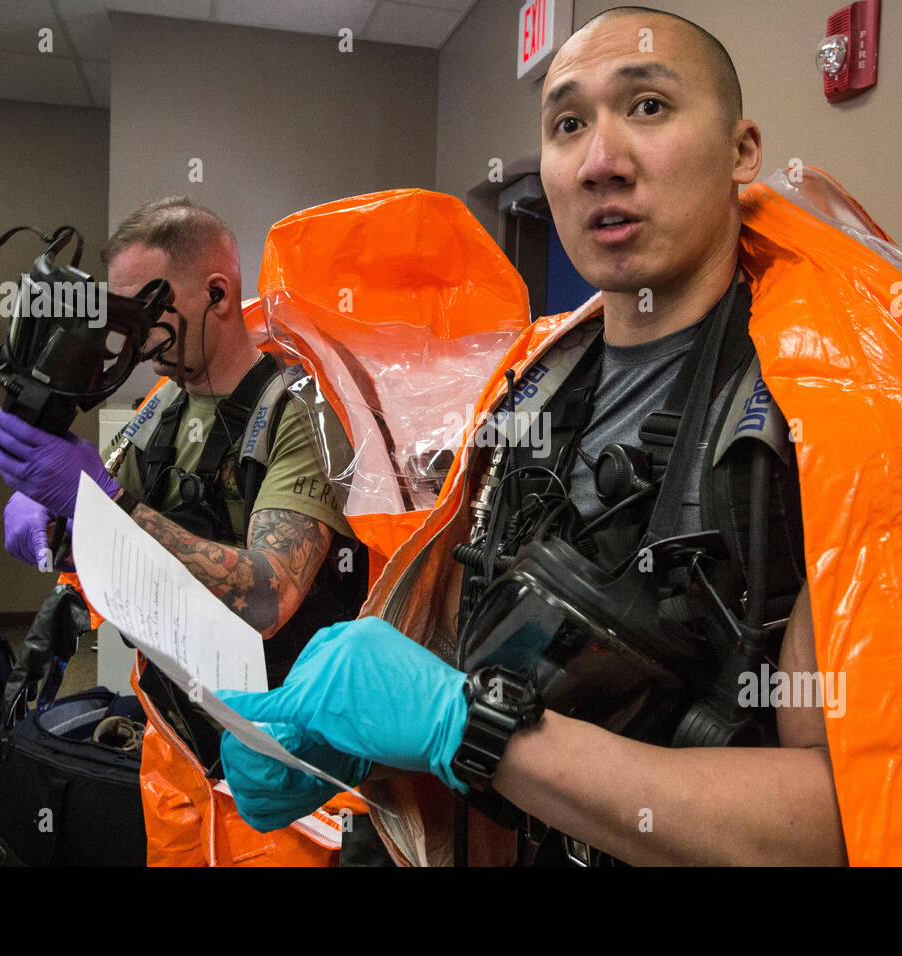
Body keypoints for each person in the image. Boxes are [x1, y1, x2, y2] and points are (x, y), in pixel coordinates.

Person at [215, 7, 847, 866]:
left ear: (742, 149)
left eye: (649, 107)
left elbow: (839, 824)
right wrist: (361, 731)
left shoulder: (819, 419)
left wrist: (467, 729)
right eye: (568, 123)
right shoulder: (537, 381)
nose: (600, 162)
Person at [0, 197, 371, 864]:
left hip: (280, 767)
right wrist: (53, 521)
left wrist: (105, 501)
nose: (131, 339)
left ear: (217, 294)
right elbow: (106, 535)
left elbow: (266, 597)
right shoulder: (161, 406)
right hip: (174, 739)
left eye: (146, 311)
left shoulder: (299, 414)